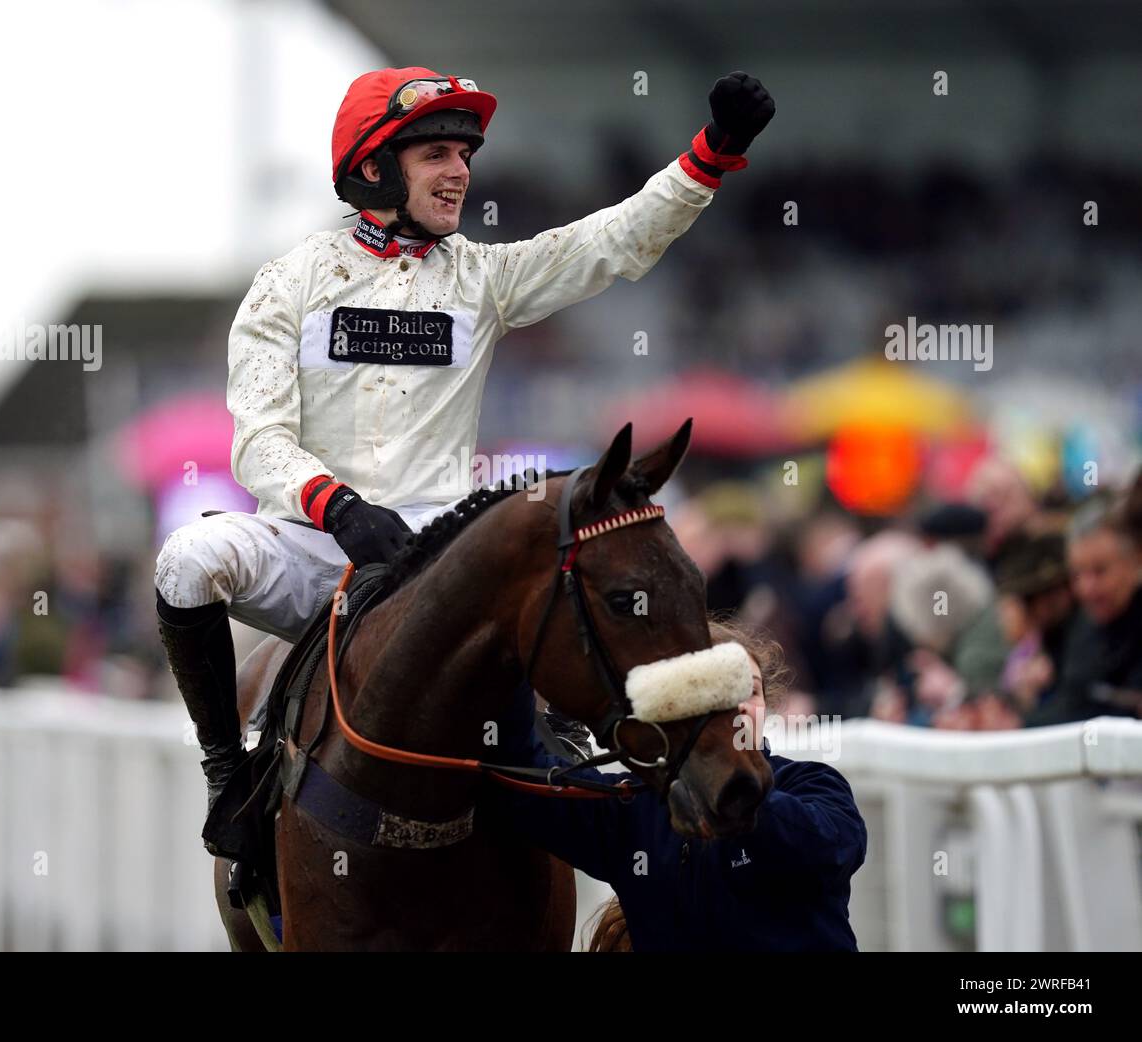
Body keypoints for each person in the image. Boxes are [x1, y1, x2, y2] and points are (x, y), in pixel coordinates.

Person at [152, 66, 776, 837]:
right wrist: (338, 506)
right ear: (375, 167)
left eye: (464, 155)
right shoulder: (288, 282)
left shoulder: (483, 276)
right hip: (314, 544)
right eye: (437, 155)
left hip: (436, 561)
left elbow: (612, 241)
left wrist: (709, 157)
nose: (460, 174)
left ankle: (576, 765)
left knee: (555, 563)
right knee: (186, 559)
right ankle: (226, 770)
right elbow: (260, 439)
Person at [482, 621, 866, 952]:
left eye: (750, 690)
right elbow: (520, 775)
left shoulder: (812, 783)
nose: (739, 706)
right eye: (717, 693)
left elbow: (825, 849)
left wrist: (731, 786)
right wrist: (510, 646)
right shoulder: (632, 807)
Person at [1027, 493, 1142, 725]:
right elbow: (1068, 704)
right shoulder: (1079, 625)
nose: (1086, 588)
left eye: (1100, 571)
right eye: (1077, 574)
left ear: (1136, 561)